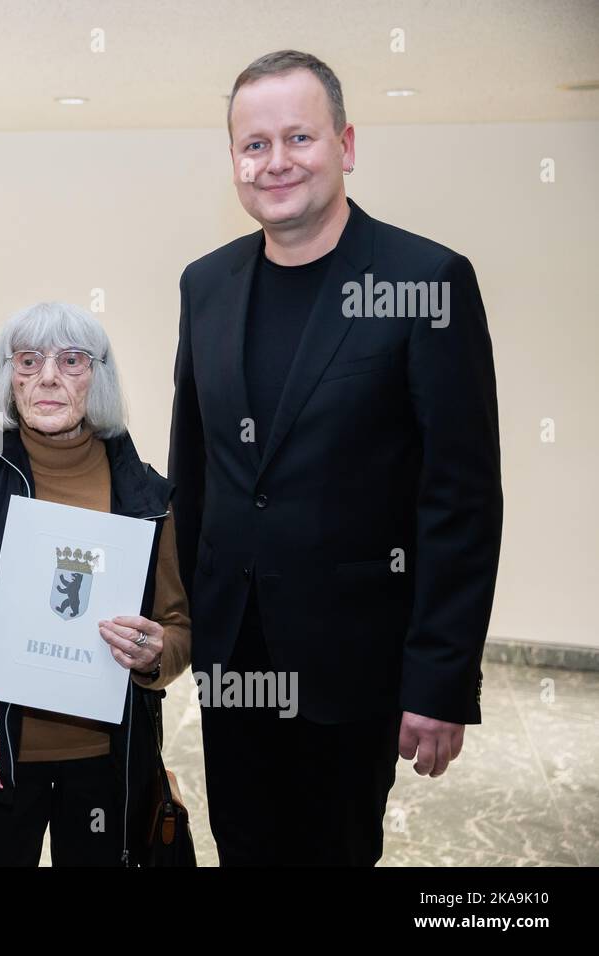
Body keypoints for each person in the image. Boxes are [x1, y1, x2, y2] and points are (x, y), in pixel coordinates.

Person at [168, 50, 503, 865]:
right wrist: (180, 620)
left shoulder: (426, 280)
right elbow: (196, 471)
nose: (275, 161)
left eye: (299, 137)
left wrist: (439, 680)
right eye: (254, 145)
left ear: (345, 145)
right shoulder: (205, 284)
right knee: (241, 846)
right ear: (234, 162)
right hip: (234, 659)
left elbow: (459, 500)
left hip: (354, 667)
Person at [0, 302, 191, 866]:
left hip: (109, 764)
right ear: (7, 375)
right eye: (28, 360)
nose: (47, 377)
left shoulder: (145, 492)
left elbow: (180, 627)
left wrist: (156, 651)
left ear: (99, 377)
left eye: (71, 361)